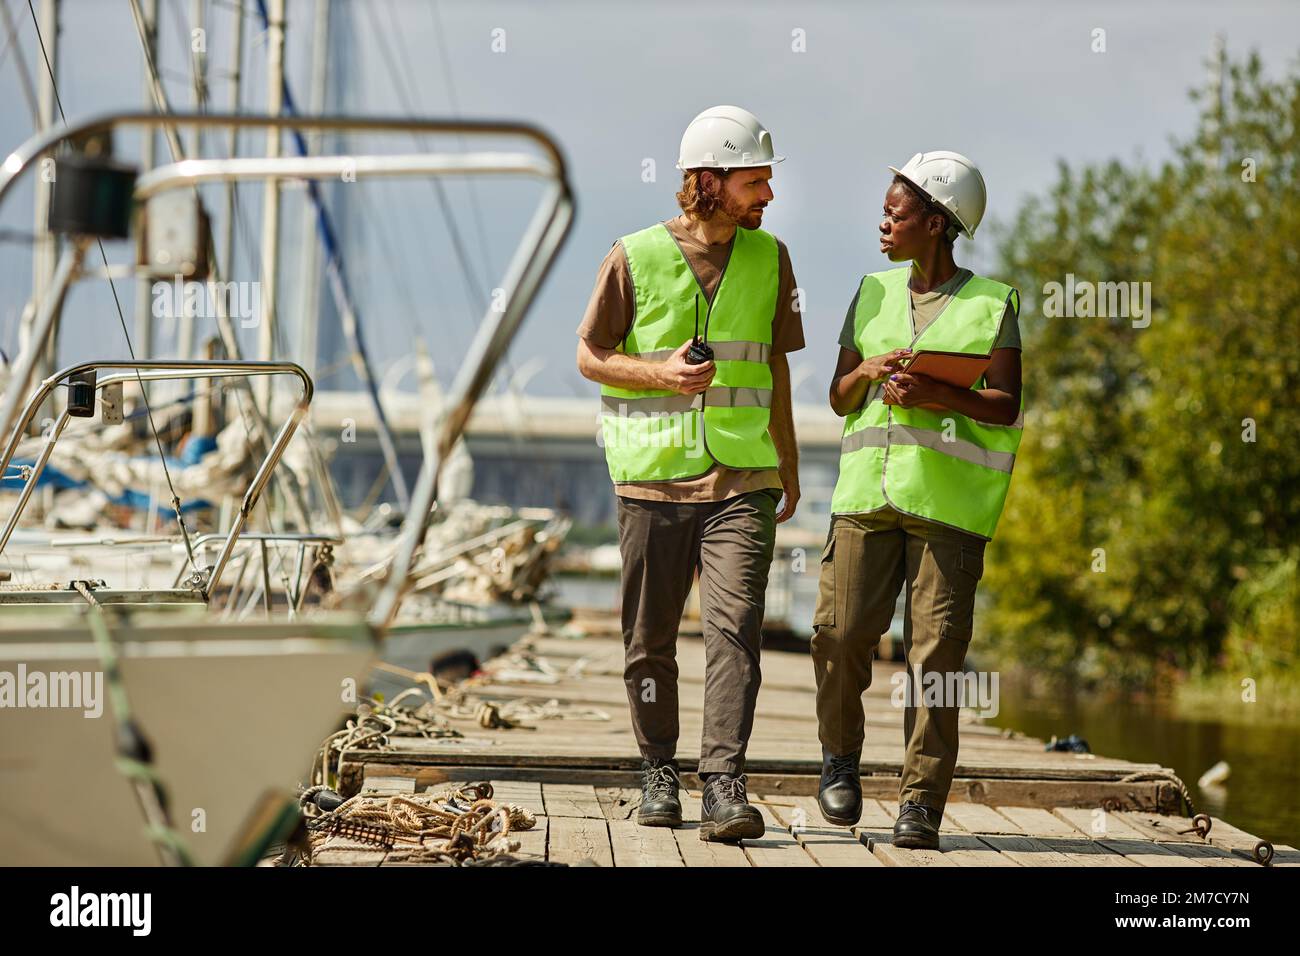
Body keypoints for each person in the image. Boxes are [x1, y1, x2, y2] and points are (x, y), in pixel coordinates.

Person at [576, 105, 804, 841]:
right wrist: (660, 375)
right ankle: (657, 769)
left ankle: (724, 783)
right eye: (754, 180)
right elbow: (589, 355)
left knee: (735, 628)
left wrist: (787, 463)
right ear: (709, 181)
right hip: (652, 476)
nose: (767, 194)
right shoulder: (632, 255)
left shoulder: (775, 260)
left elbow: (775, 366)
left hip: (744, 475)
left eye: (767, 181)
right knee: (649, 639)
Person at [812, 151, 1023, 850]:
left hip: (947, 513)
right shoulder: (870, 293)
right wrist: (868, 371)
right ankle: (839, 761)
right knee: (838, 636)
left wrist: (937, 394)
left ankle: (920, 803)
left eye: (896, 214)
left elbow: (1004, 404)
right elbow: (839, 396)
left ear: (936, 224)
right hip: (864, 501)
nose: (883, 223)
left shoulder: (993, 303)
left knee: (935, 660)